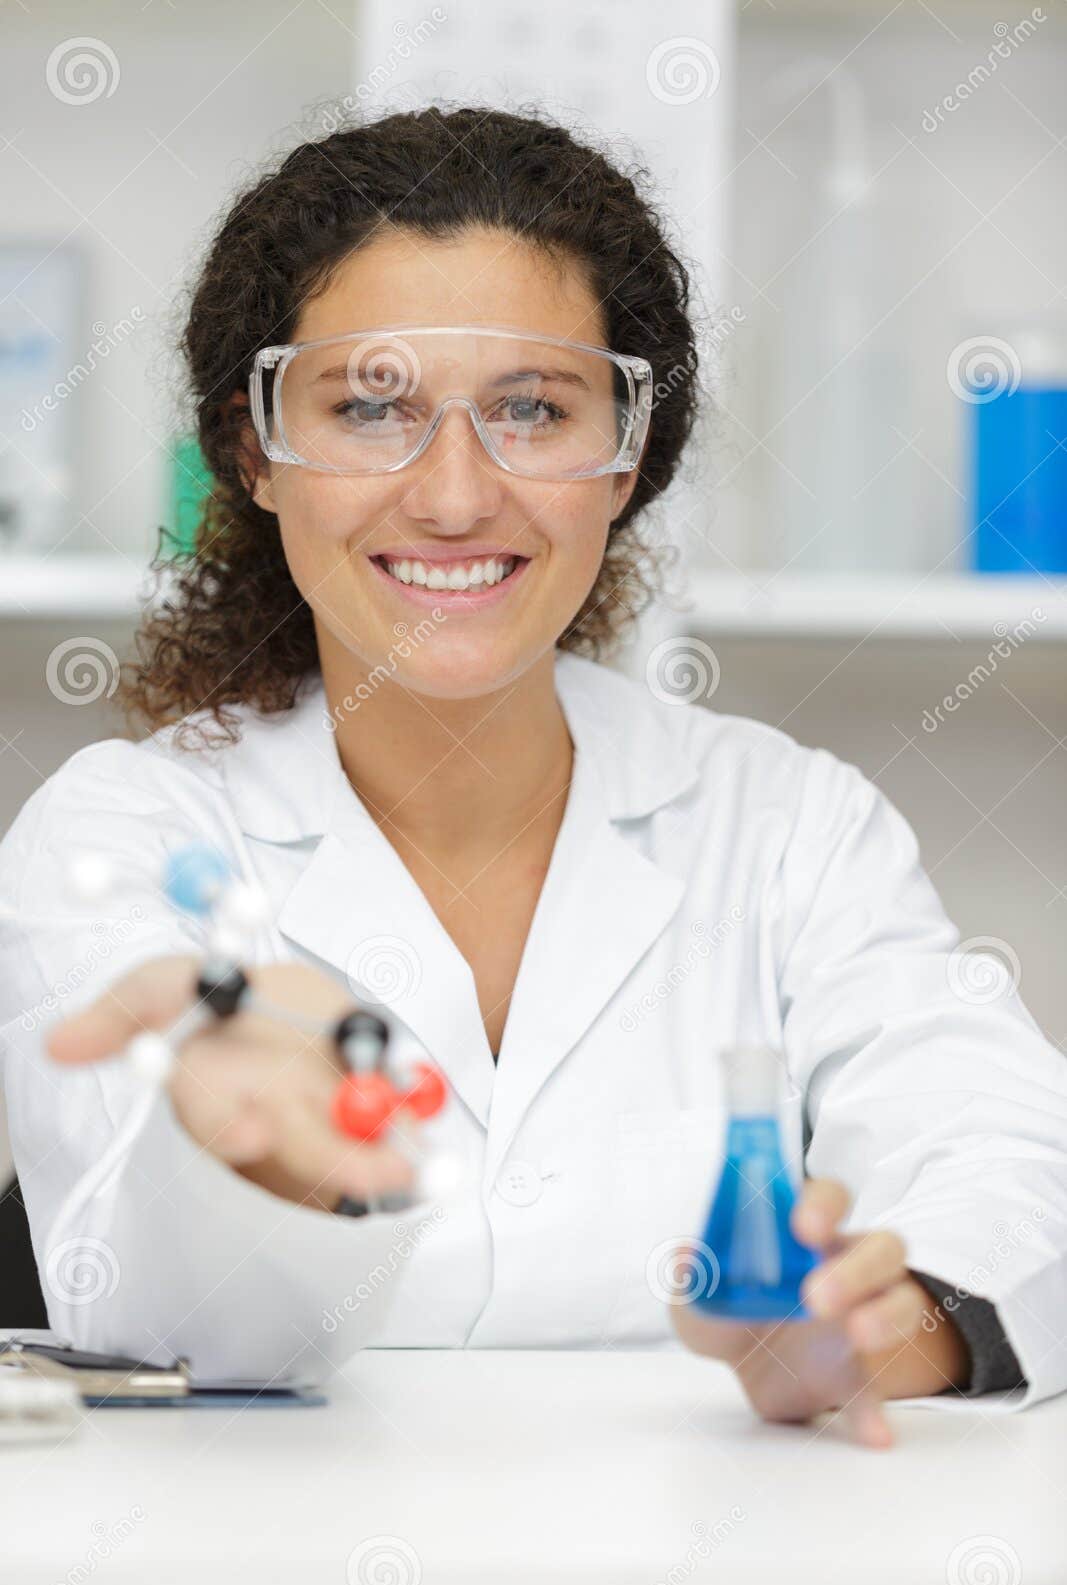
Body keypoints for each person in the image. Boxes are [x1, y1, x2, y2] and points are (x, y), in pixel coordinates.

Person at [1, 105, 1063, 1448]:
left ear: (628, 455)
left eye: (532, 409)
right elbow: (145, 1309)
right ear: (258, 450)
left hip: (715, 1568)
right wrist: (266, 1163)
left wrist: (877, 1329)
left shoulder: (789, 827)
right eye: (370, 406)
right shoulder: (123, 837)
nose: (455, 497)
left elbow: (1006, 1155)